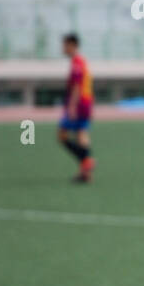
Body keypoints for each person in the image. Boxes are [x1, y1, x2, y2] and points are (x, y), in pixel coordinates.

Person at [58, 33, 95, 183]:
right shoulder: (80, 61)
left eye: (64, 45)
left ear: (72, 45)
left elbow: (77, 86)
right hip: (85, 102)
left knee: (62, 135)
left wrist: (72, 106)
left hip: (79, 104)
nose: (62, 48)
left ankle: (86, 161)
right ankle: (85, 172)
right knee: (81, 135)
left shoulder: (77, 62)